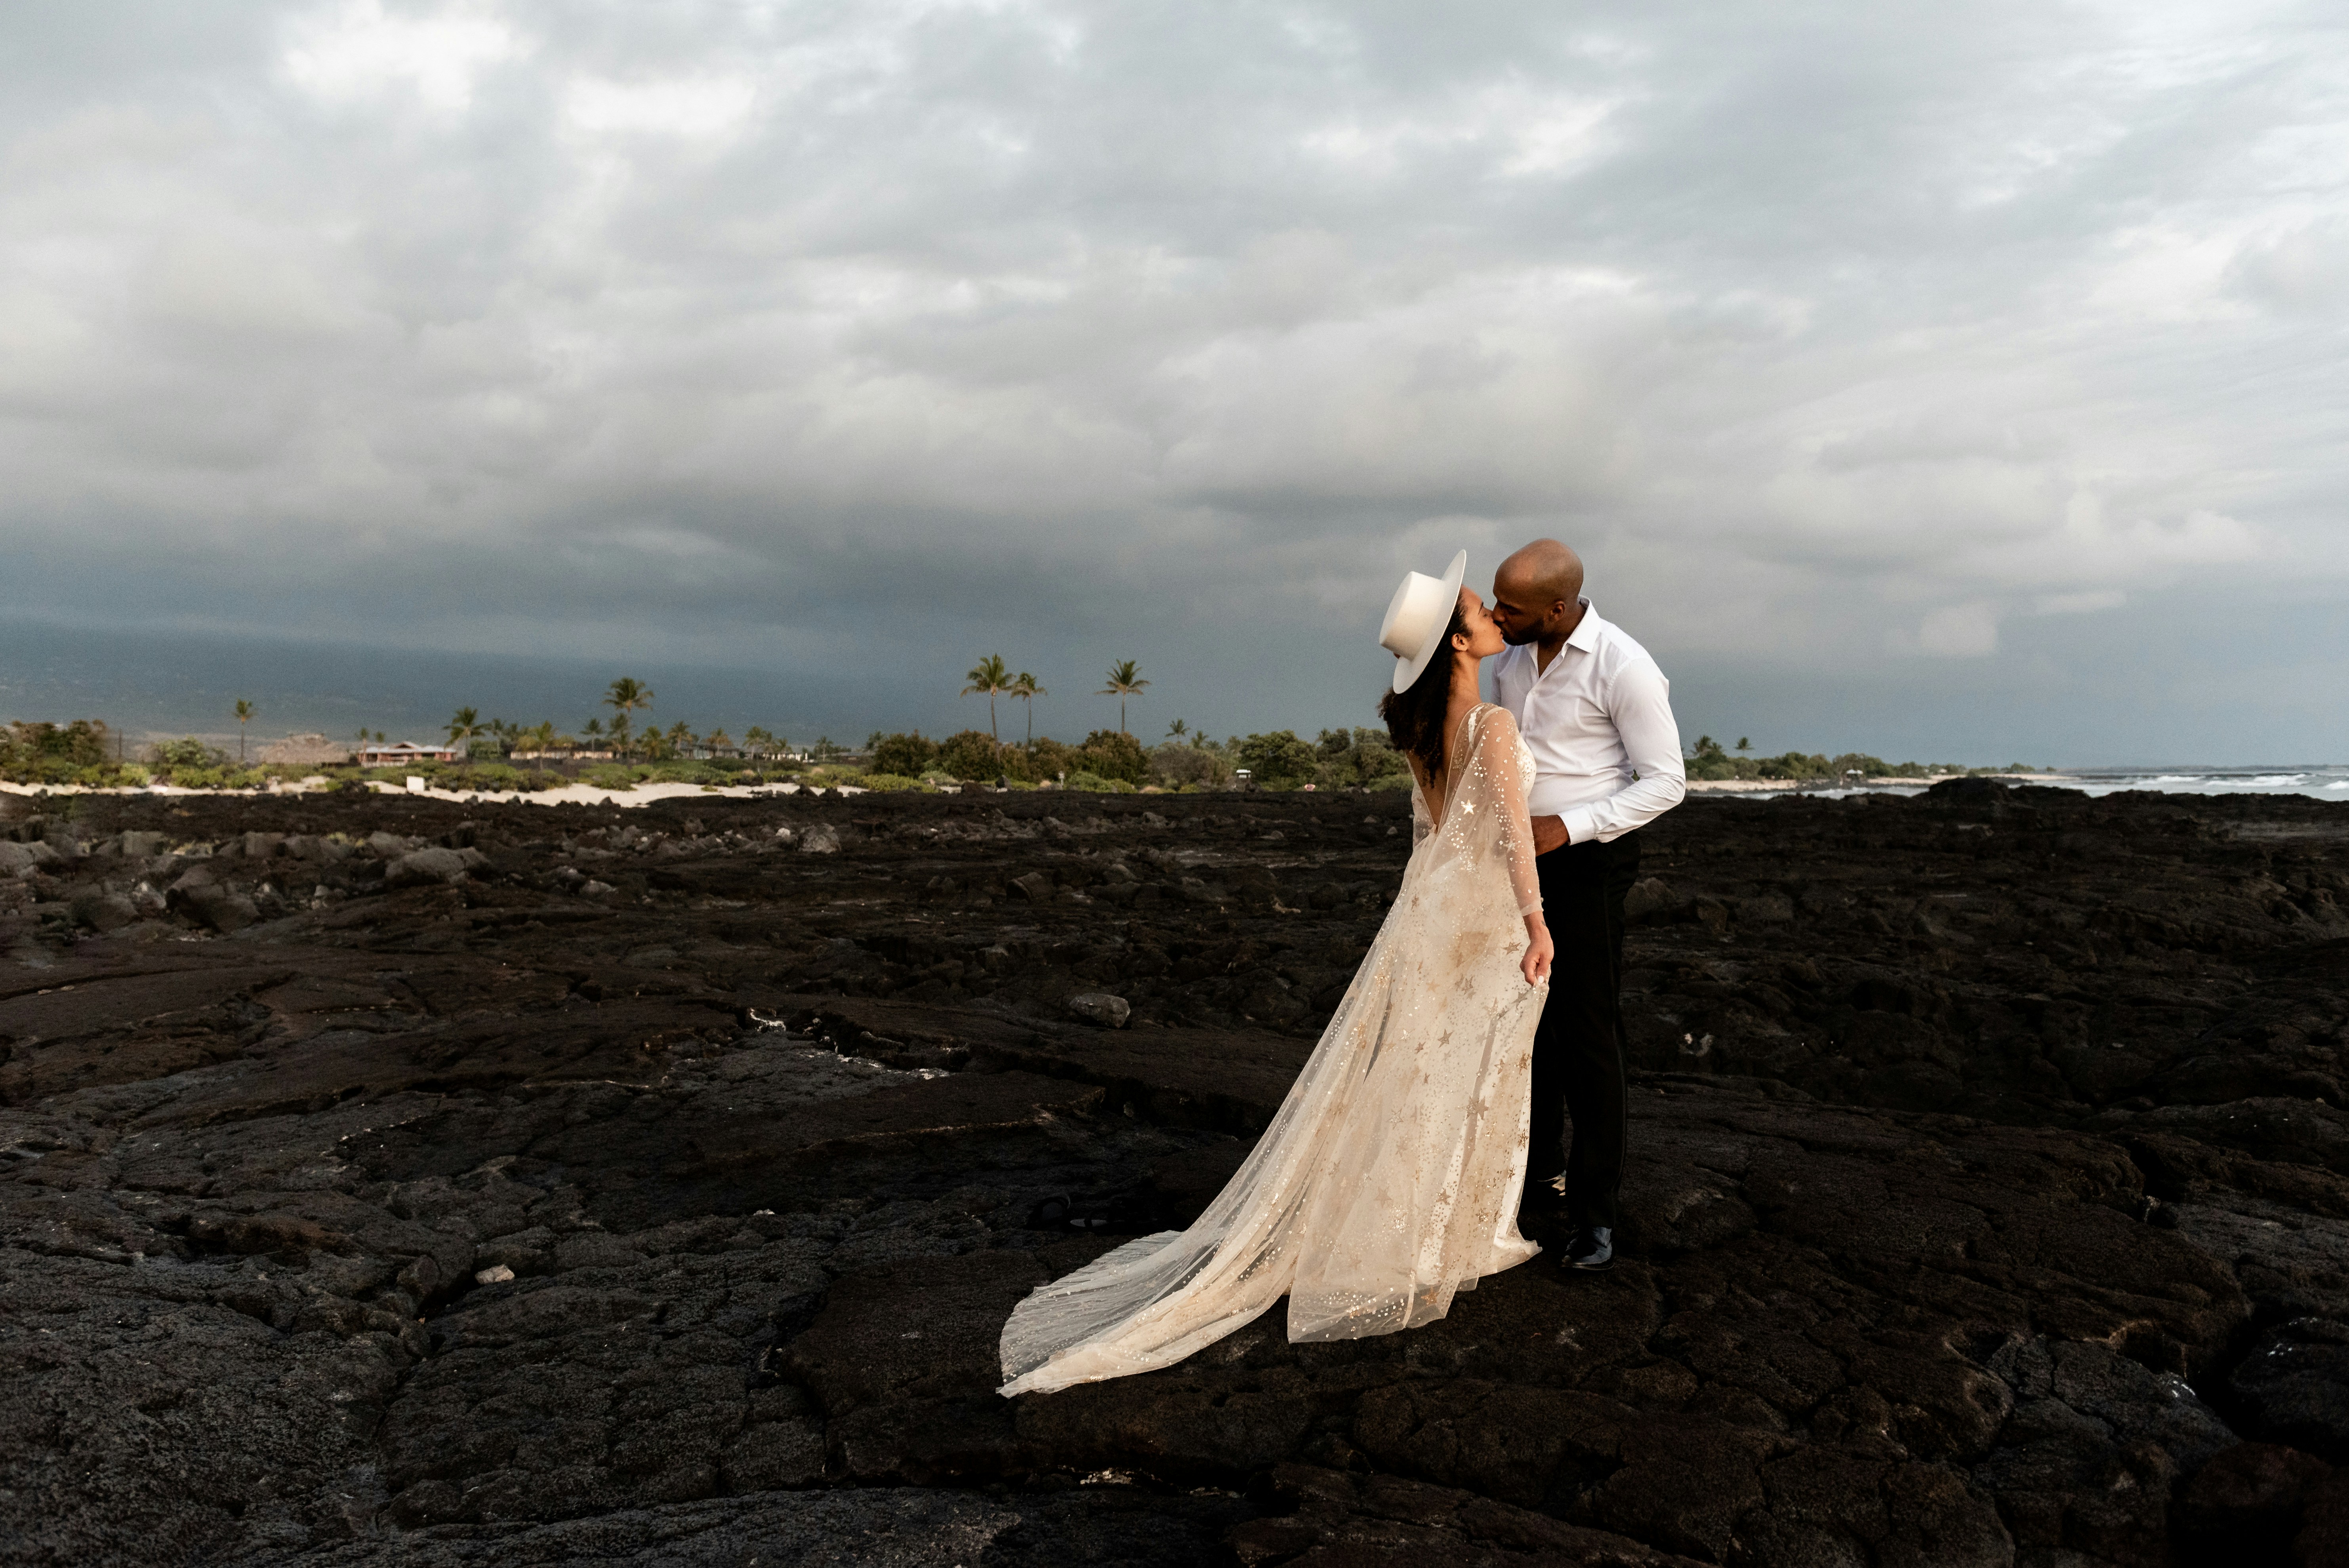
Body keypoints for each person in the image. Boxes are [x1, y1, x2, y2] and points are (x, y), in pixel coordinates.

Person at [998, 551, 1554, 1397]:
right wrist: (1536, 923)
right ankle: (1449, 1237)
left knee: (1413, 1072)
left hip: (1428, 920)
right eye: (1477, 610)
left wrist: (1420, 922)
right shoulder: (1492, 728)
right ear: (1454, 644)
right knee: (1469, 1071)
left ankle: (1415, 1230)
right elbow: (1513, 836)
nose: (1489, 618)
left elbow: (1426, 842)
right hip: (1475, 925)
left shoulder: (1422, 735)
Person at [1488, 540, 1685, 1274]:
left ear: (1559, 608)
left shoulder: (1622, 665)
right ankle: (1535, 1174)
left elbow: (1666, 783)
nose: (1496, 614)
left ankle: (1595, 1214)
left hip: (1589, 862)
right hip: (1515, 865)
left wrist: (1563, 828)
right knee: (1524, 1021)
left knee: (1589, 1034)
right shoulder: (1509, 659)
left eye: (1511, 606)